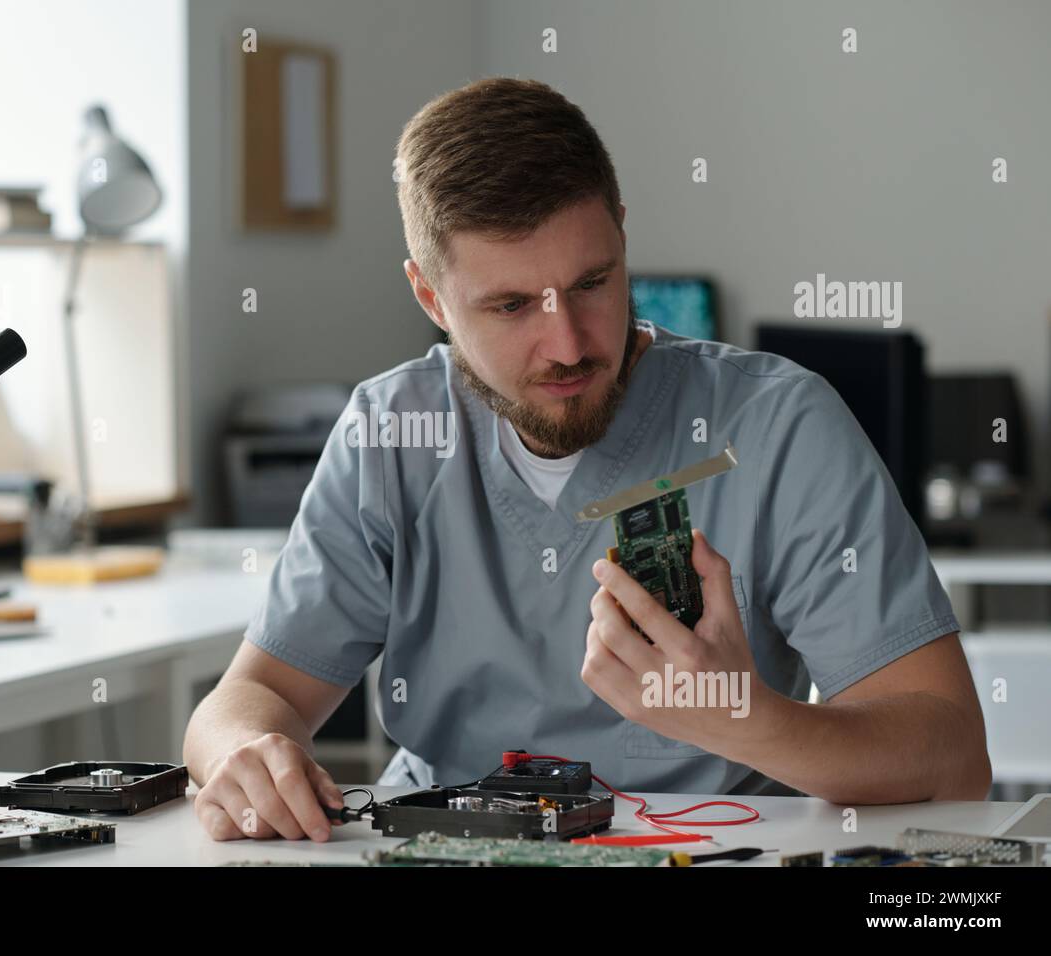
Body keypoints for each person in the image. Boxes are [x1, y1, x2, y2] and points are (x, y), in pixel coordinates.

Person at [183, 77, 990, 842]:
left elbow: (953, 759)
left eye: (592, 282)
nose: (567, 343)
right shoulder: (392, 435)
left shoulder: (779, 425)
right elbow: (251, 698)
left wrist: (741, 716)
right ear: (430, 298)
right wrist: (243, 754)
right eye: (509, 306)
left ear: (623, 235)